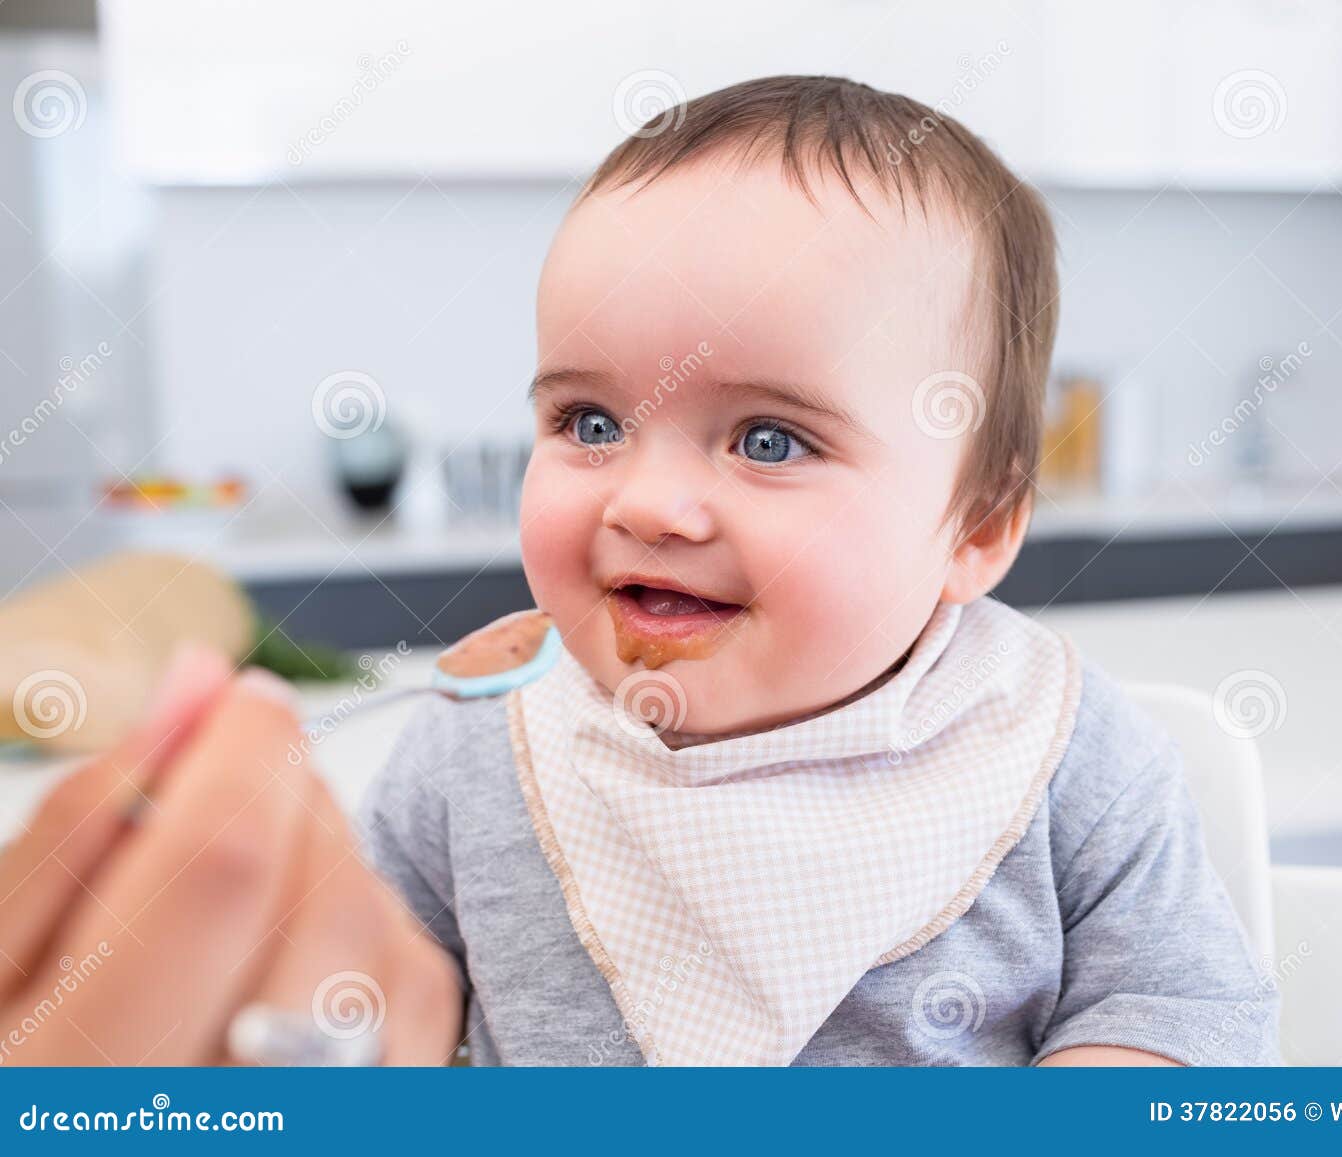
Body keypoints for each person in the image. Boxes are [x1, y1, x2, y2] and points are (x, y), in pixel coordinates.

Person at [1, 76, 1277, 1066]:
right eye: (589, 423)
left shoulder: (1058, 750)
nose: (648, 500)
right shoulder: (474, 750)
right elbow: (372, 1001)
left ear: (974, 529)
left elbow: (1187, 1009)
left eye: (770, 438)